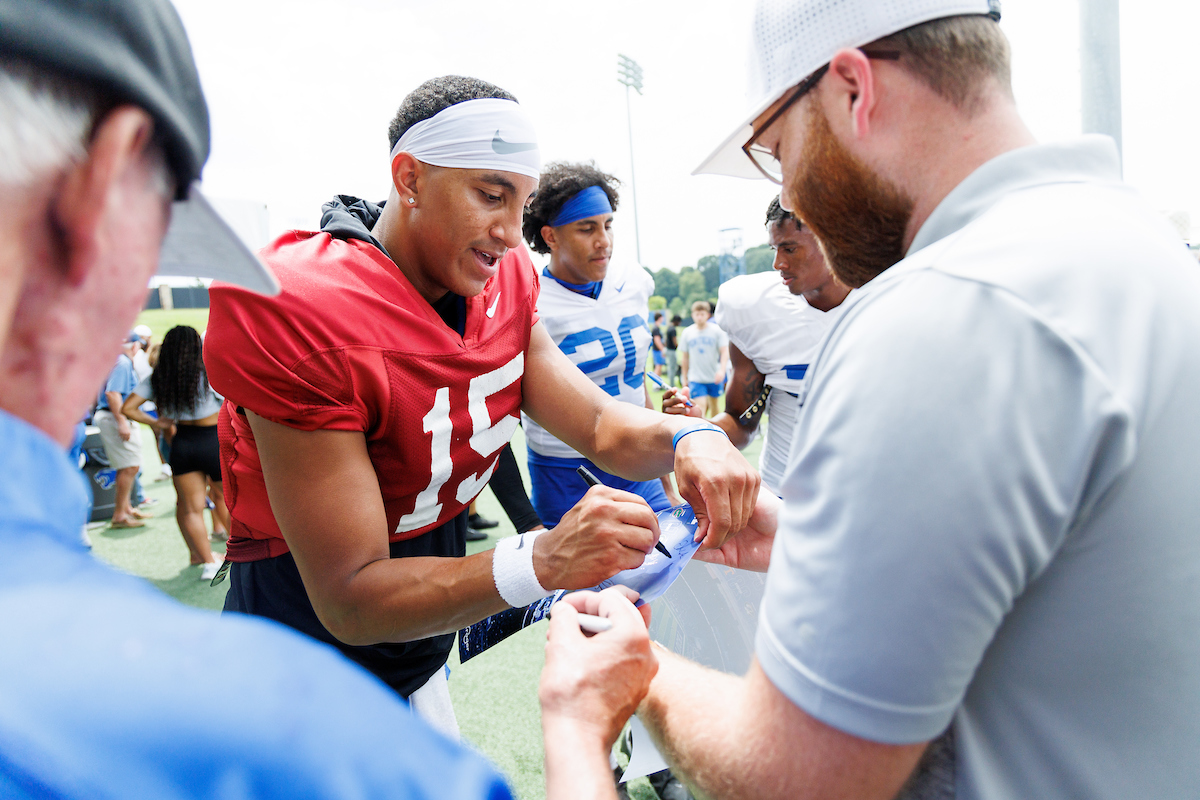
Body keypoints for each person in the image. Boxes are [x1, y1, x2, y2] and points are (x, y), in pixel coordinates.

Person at [541, 2, 1200, 798]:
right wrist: (822, 543)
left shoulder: (939, 310)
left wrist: (627, 670)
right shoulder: (1130, 237)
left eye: (776, 149)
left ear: (853, 88)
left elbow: (800, 777)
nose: (788, 190)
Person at [0, 0, 519, 795]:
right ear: (99, 190)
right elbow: (348, 600)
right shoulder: (266, 732)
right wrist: (582, 709)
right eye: (147, 246)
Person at [204, 79, 760, 730]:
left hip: (417, 647)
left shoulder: (507, 283)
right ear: (408, 179)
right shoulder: (306, 307)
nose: (509, 234)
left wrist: (685, 438)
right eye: (490, 195)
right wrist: (543, 560)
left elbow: (602, 423)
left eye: (519, 206)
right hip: (298, 670)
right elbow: (349, 596)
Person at [519, 161, 680, 527]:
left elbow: (637, 381)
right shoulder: (528, 300)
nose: (603, 240)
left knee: (665, 570)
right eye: (586, 228)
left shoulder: (634, 281)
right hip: (566, 470)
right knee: (585, 583)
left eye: (608, 225)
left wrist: (664, 478)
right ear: (551, 236)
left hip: (638, 455)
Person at [664, 196, 849, 493]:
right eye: (775, 249)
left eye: (789, 248)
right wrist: (696, 428)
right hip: (786, 495)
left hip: (868, 497)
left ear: (833, 240)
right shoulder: (754, 309)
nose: (778, 263)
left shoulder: (890, 297)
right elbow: (741, 422)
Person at [122, 325, 225, 580]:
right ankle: (238, 555)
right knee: (225, 501)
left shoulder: (160, 377)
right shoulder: (208, 372)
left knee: (191, 508)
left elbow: (129, 408)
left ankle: (208, 561)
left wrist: (158, 423)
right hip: (213, 440)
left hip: (183, 444)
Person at [93, 333, 146, 528]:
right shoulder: (122, 363)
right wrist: (122, 421)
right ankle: (120, 515)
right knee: (129, 466)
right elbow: (112, 393)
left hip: (113, 416)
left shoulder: (117, 361)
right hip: (113, 416)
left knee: (130, 465)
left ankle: (126, 508)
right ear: (134, 346)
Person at [675, 300, 728, 419]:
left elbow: (724, 351)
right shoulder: (687, 332)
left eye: (702, 314)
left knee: (715, 407)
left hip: (713, 376)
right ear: (692, 315)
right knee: (700, 407)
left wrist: (722, 370)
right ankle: (702, 433)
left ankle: (715, 431)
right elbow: (685, 358)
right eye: (697, 314)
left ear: (708, 315)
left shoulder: (716, 331)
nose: (699, 317)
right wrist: (684, 377)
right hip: (696, 378)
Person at [664, 314, 682, 387]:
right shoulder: (673, 329)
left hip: (668, 350)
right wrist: (678, 346)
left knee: (671, 367)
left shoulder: (669, 327)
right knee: (673, 368)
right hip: (671, 350)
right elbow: (674, 340)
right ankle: (672, 384)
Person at [650, 311, 667, 377]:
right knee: (658, 366)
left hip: (659, 350)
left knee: (660, 366)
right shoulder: (655, 328)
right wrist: (662, 350)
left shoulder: (658, 328)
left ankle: (658, 384)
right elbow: (657, 341)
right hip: (657, 350)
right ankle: (656, 385)